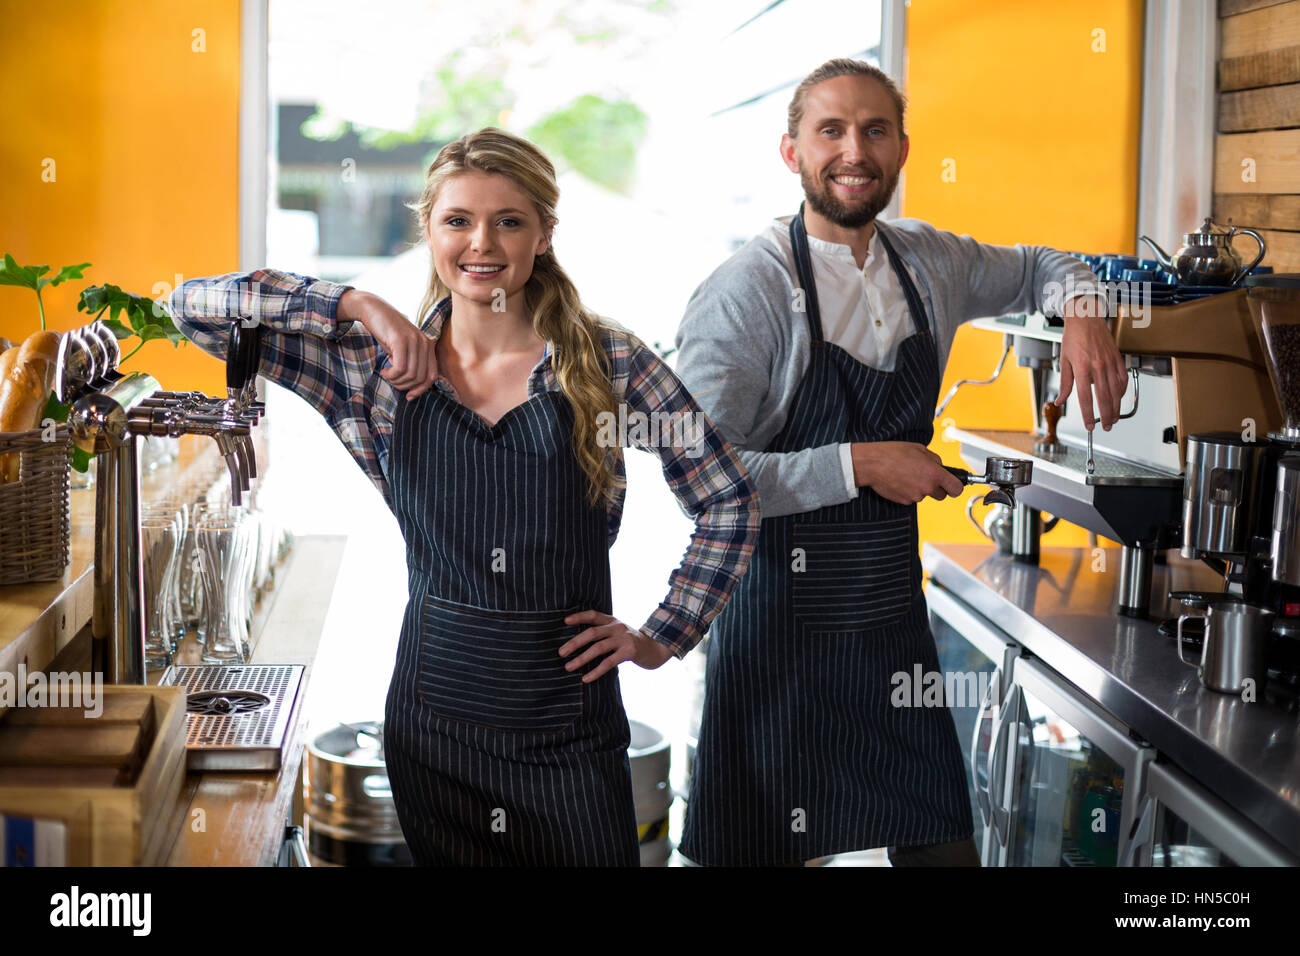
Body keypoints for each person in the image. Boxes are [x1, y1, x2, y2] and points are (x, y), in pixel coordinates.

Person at [169, 128, 760, 866]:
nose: (482, 243)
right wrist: (358, 304)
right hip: (435, 734)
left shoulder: (607, 364)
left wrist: (660, 636)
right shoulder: (373, 368)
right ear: (429, 229)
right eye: (458, 220)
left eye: (509, 220)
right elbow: (191, 305)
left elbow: (728, 497)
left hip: (570, 731)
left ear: (544, 234)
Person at [674, 59, 1125, 867]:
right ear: (791, 153)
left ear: (904, 149)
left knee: (943, 850)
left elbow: (1043, 264)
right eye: (832, 131)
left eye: (875, 130)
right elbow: (702, 482)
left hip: (887, 625)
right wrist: (861, 465)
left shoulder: (930, 262)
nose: (856, 151)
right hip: (778, 631)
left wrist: (1087, 311)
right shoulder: (745, 291)